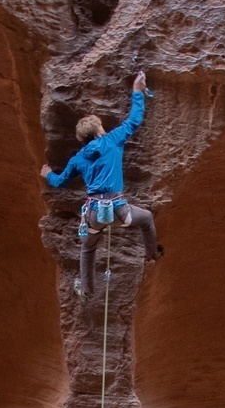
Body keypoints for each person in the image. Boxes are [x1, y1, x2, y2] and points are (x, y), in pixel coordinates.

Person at [41, 73, 163, 299]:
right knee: (146, 219)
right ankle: (152, 255)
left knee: (88, 248)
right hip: (119, 210)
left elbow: (60, 181)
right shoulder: (112, 140)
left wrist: (48, 173)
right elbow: (134, 120)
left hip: (95, 214)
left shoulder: (78, 159)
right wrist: (137, 91)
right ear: (98, 131)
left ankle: (87, 290)